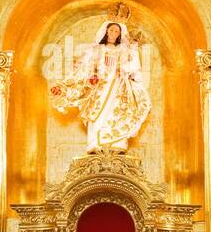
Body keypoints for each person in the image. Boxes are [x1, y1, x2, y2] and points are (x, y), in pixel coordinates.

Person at [49, 19, 151, 152]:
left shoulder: (124, 50)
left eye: (117, 31)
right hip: (100, 85)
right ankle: (95, 143)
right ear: (106, 31)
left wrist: (132, 50)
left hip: (119, 85)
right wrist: (90, 76)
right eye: (112, 30)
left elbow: (134, 67)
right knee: (96, 112)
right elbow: (84, 68)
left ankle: (118, 143)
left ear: (120, 34)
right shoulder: (96, 49)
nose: (113, 33)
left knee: (118, 112)